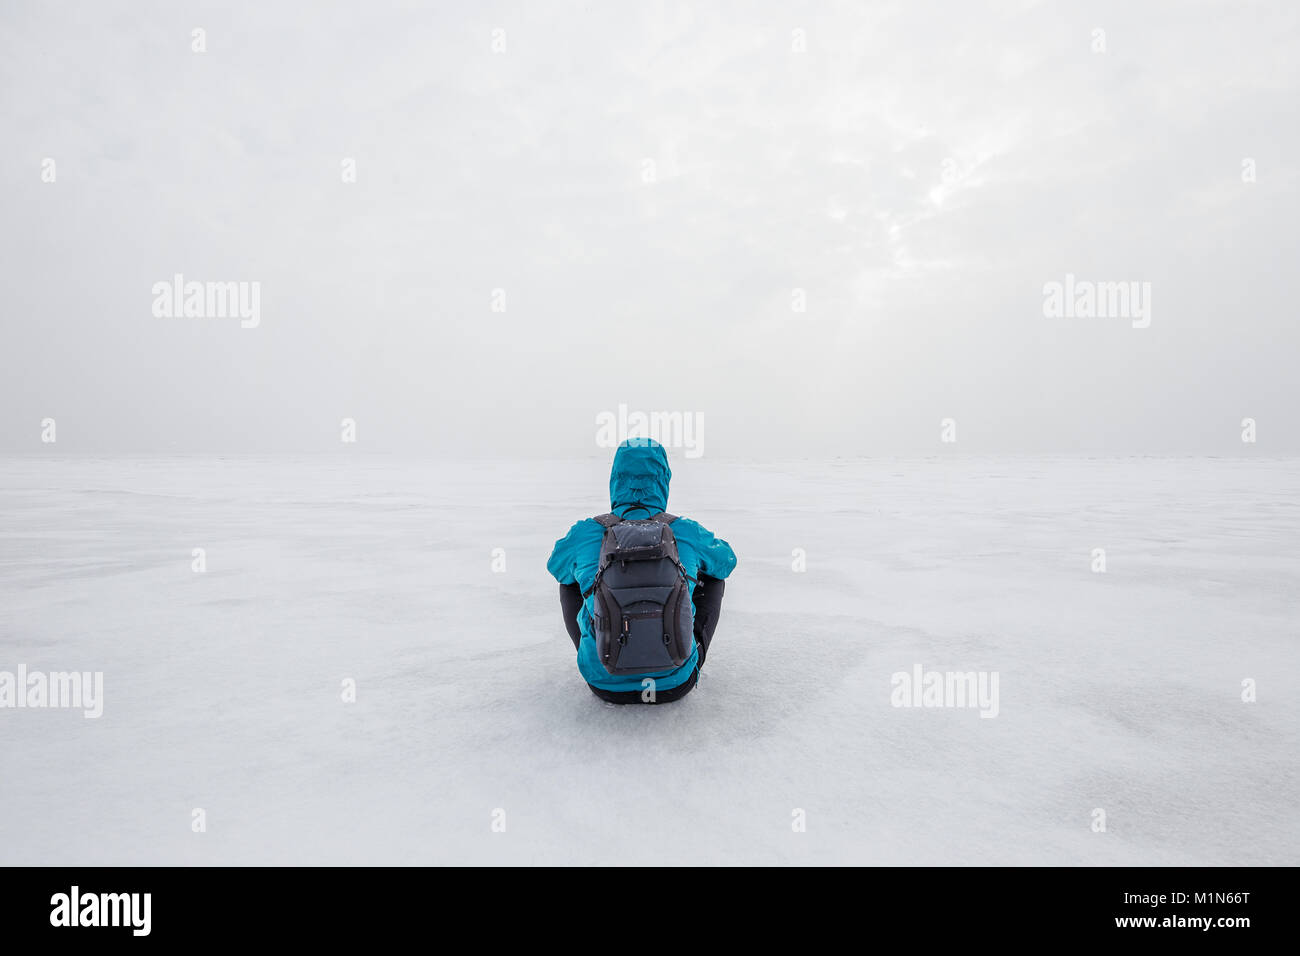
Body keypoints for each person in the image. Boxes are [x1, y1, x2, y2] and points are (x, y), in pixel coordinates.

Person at [547, 438, 737, 703]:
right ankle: (682, 653)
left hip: (604, 684)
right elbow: (727, 561)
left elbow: (555, 567)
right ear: (663, 480)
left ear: (615, 479)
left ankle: (598, 655)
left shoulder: (587, 531)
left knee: (570, 580)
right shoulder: (685, 530)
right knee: (714, 576)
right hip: (677, 682)